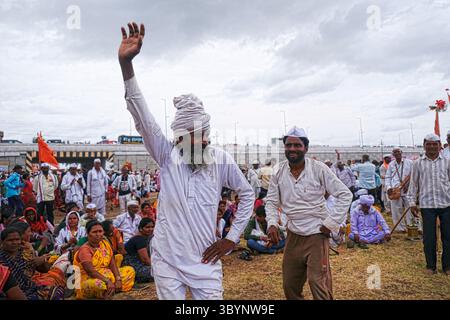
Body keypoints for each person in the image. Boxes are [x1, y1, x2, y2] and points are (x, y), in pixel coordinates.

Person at [118, 22, 254, 300]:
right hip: (167, 261)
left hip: (206, 262)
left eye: (205, 134)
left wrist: (231, 237)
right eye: (196, 136)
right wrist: (126, 65)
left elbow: (247, 194)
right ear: (180, 138)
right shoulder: (167, 156)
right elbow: (141, 114)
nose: (204, 141)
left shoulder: (220, 159)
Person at [266, 126, 352, 300]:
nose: (292, 149)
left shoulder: (319, 168)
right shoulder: (278, 171)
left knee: (317, 282)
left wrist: (331, 224)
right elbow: (272, 201)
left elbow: (345, 194)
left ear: (305, 148)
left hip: (316, 233)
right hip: (293, 234)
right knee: (290, 284)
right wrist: (272, 223)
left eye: (297, 145)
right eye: (289, 145)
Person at [408, 133, 450, 275]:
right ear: (424, 145)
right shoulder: (418, 163)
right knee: (429, 238)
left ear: (440, 145)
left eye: (435, 144)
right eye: (429, 144)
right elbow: (413, 185)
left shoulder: (447, 161)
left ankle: (447, 266)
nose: (432, 147)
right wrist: (412, 202)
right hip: (427, 206)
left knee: (448, 237)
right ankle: (431, 266)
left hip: (446, 204)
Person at [73, 220, 135, 299]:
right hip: (89, 278)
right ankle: (111, 288)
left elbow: (112, 263)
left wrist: (118, 279)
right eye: (94, 232)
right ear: (88, 234)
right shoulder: (85, 249)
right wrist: (107, 281)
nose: (98, 234)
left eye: (100, 231)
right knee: (99, 285)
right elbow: (90, 271)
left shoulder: (105, 243)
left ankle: (111, 289)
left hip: (107, 274)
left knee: (130, 270)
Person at [0, 227, 64, 300]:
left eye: (17, 239)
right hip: (9, 293)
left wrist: (41, 261)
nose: (15, 242)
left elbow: (45, 269)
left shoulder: (25, 253)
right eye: (10, 240)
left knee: (57, 291)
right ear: (2, 241)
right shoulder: (1, 259)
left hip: (30, 288)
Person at [385, 147, 415, 233]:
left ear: (401, 153)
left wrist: (409, 186)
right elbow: (388, 177)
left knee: (410, 208)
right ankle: (400, 229)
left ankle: (412, 227)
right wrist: (389, 187)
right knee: (396, 210)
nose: (397, 154)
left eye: (398, 152)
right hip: (395, 190)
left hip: (408, 190)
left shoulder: (409, 162)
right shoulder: (391, 164)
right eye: (395, 152)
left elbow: (413, 175)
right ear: (393, 155)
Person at [123, 218, 154, 283]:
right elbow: (145, 260)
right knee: (161, 271)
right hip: (136, 269)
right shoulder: (139, 239)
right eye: (147, 227)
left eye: (152, 227)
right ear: (140, 229)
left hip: (137, 266)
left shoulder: (146, 237)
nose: (150, 229)